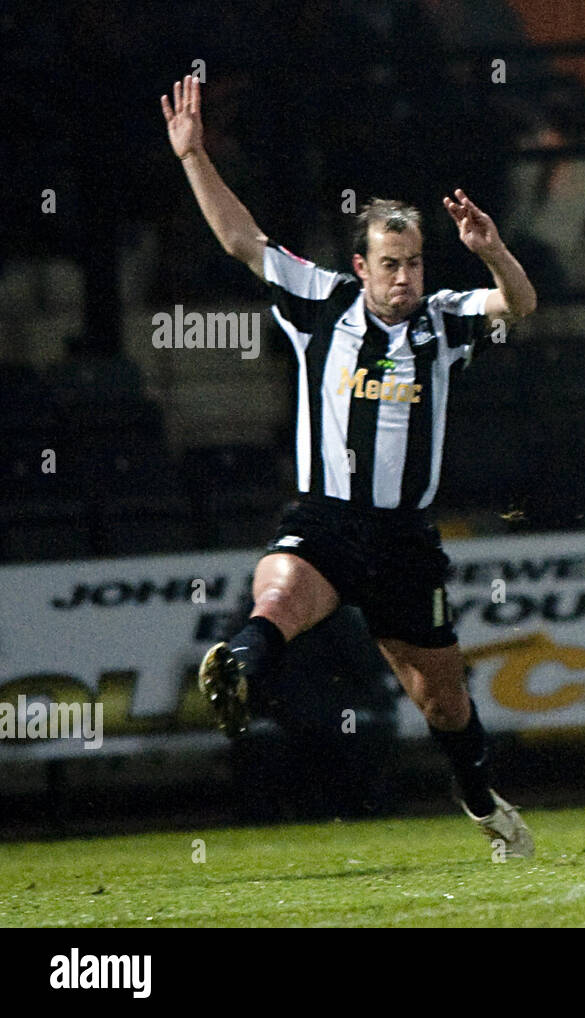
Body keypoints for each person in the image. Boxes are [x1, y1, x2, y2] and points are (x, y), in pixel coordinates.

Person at [162, 74, 538, 857]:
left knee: (443, 704)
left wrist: (493, 252)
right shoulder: (319, 302)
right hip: (326, 521)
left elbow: (520, 305)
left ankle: (483, 807)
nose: (406, 279)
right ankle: (238, 664)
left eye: (415, 263)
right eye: (391, 265)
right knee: (281, 593)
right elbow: (241, 239)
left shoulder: (443, 322)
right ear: (361, 267)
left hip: (405, 540)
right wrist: (195, 155)